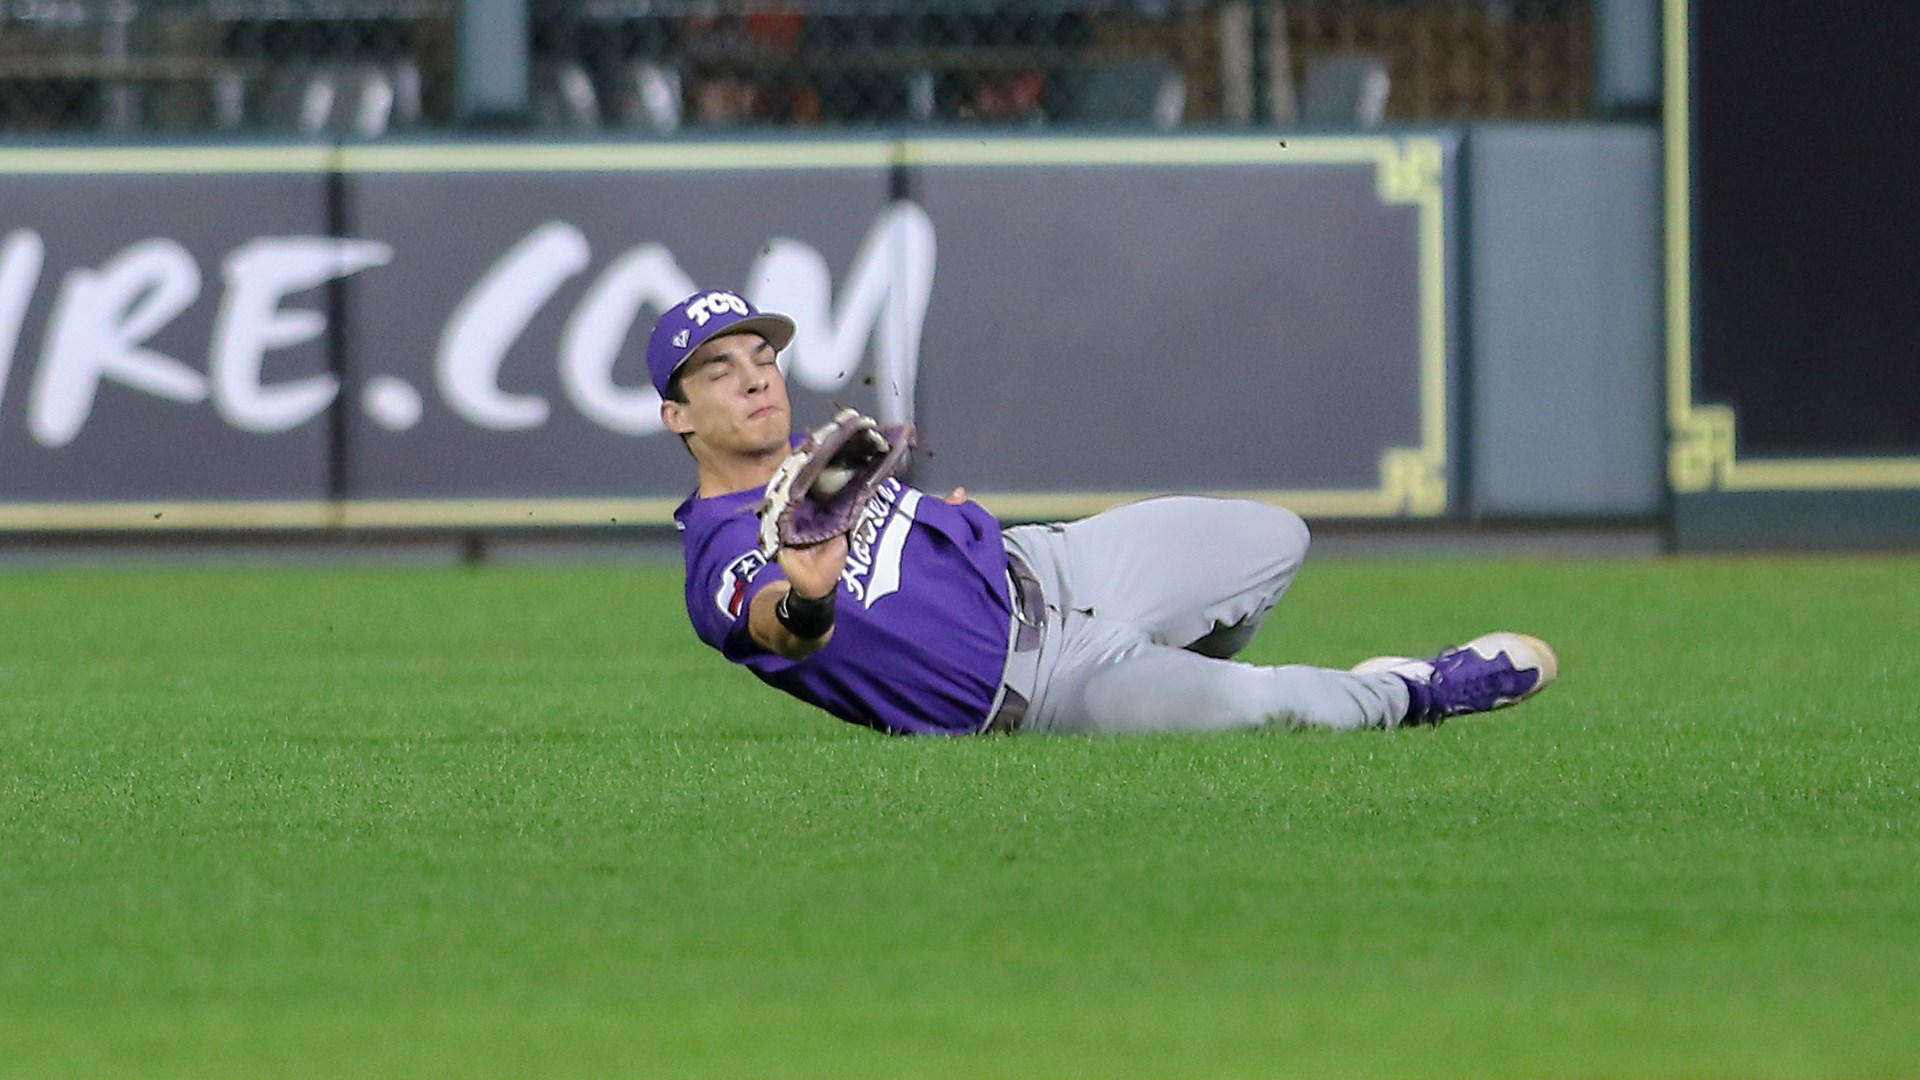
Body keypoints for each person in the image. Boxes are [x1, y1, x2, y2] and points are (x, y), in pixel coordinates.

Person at [651, 289, 1558, 737]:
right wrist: (807, 600)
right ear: (678, 415)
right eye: (718, 369)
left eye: (758, 353)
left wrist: (949, 520)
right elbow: (776, 624)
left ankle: (1180, 666)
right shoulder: (723, 554)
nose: (755, 374)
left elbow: (911, 543)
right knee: (1278, 710)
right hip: (1045, 692)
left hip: (1057, 566)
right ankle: (1419, 691)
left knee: (1279, 538)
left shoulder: (824, 462)